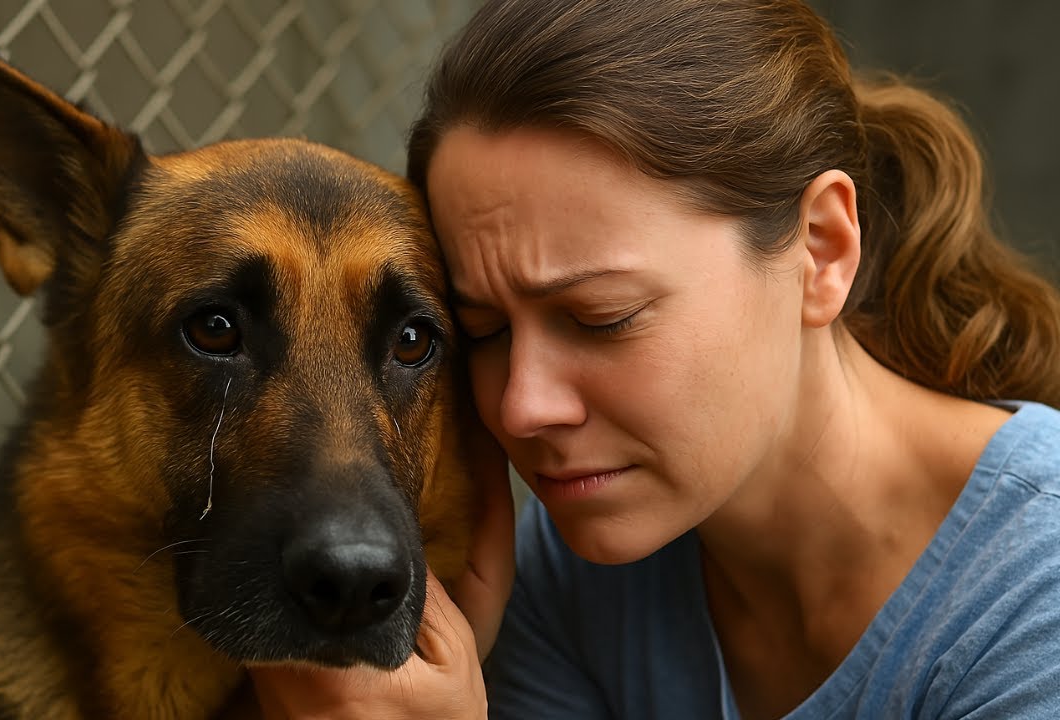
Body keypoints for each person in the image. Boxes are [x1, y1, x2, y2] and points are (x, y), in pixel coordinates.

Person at [250, 0, 1060, 717]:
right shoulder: (578, 580)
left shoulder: (1034, 591)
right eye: (485, 331)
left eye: (601, 317)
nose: (521, 407)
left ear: (821, 251)